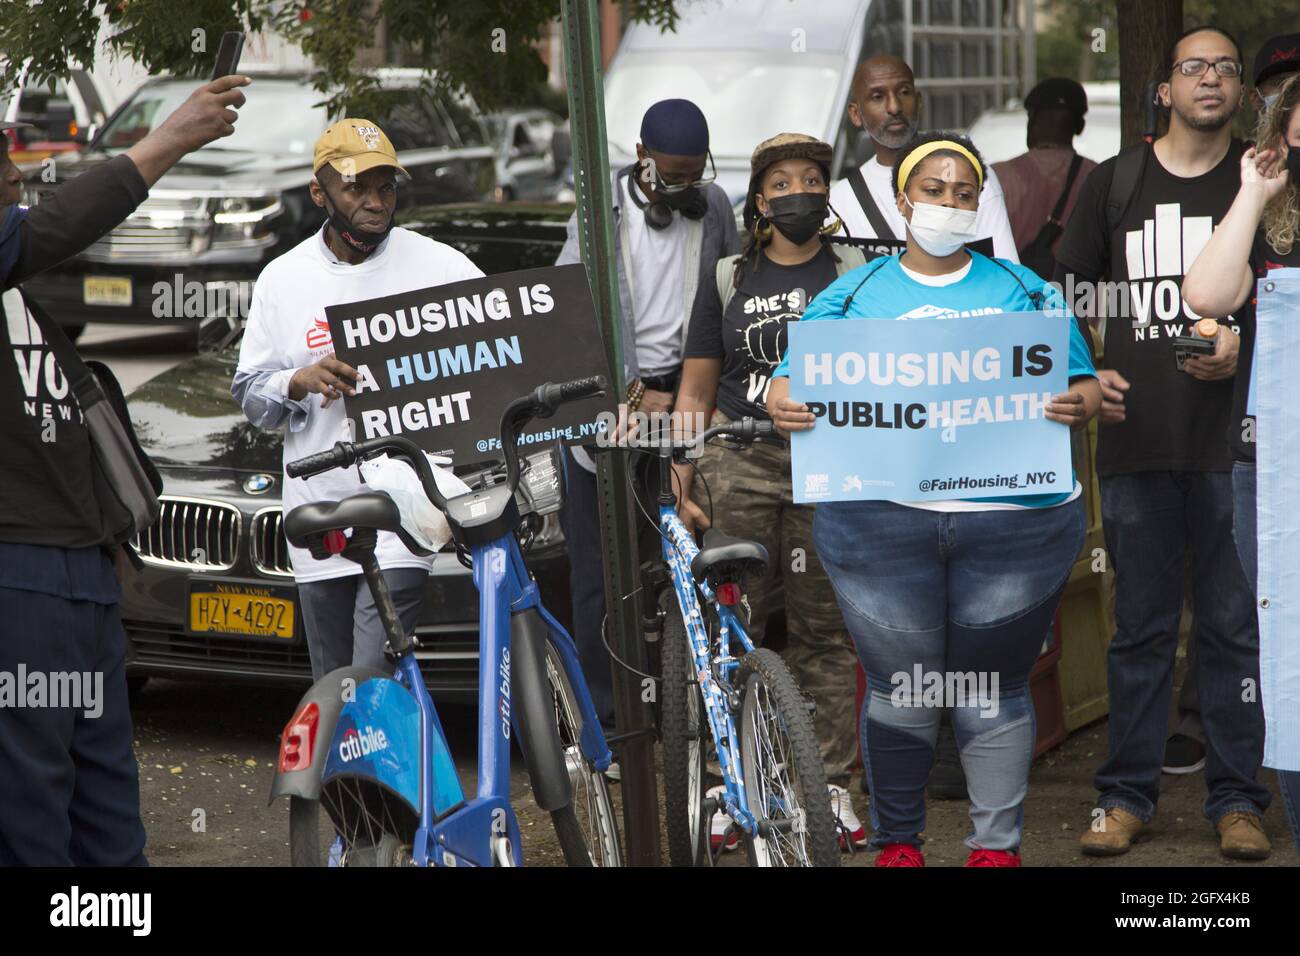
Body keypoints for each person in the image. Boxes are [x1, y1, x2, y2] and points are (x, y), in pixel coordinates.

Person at [768, 133, 1100, 867]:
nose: (948, 204)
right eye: (933, 189)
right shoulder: (851, 293)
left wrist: (1081, 402)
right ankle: (899, 846)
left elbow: (1082, 385)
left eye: (962, 193)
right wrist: (782, 400)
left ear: (978, 204)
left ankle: (993, 850)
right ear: (902, 201)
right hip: (882, 528)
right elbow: (789, 383)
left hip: (1010, 526)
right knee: (903, 687)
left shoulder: (1024, 289)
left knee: (992, 685)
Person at [0, 74, 250, 866]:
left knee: (108, 804)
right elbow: (62, 222)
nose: (19, 189)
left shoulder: (23, 299)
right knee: (30, 807)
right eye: (3, 180)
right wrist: (168, 139)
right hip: (17, 578)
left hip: (83, 576)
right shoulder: (19, 255)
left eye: (17, 176)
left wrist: (106, 541)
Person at [1054, 25, 1272, 860]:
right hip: (1136, 442)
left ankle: (1237, 799)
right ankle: (1123, 797)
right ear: (1164, 89)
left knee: (1231, 629)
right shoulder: (1116, 183)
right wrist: (1082, 375)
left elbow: (1282, 306)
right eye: (1193, 67)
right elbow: (1064, 294)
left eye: (1224, 67)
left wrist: (1241, 346)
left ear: (1242, 94)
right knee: (1140, 630)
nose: (1210, 79)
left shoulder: (1263, 184)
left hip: (1237, 449)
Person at [233, 119, 483, 682]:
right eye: (357, 188)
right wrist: (297, 381)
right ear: (320, 193)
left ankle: (382, 769)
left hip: (400, 512)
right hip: (318, 510)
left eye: (386, 187)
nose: (375, 202)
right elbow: (251, 397)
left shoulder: (441, 266)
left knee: (371, 675)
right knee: (333, 683)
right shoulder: (283, 277)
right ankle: (337, 775)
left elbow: (498, 344)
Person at [673, 133, 867, 849]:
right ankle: (740, 785)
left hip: (833, 462)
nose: (798, 194)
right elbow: (696, 382)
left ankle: (831, 788)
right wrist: (683, 466)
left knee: (826, 630)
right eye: (781, 184)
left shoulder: (855, 270)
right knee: (735, 626)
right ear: (759, 201)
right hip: (738, 460)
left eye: (811, 180)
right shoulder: (727, 275)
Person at [554, 99, 739, 753]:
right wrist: (631, 396)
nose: (687, 185)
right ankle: (608, 720)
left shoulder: (716, 208)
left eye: (696, 173)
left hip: (687, 399)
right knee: (600, 572)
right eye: (674, 173)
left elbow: (726, 306)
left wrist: (691, 401)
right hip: (607, 407)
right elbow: (566, 313)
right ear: (642, 156)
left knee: (684, 555)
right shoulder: (597, 212)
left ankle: (691, 714)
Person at [1182, 71, 1300, 856]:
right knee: (1287, 642)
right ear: (1284, 132)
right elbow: (1208, 290)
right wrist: (1255, 196)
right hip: (1275, 466)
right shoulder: (1269, 218)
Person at [828, 55, 1019, 262]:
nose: (894, 107)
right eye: (877, 96)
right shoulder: (840, 200)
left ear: (919, 102)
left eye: (904, 92)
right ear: (855, 114)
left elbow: (1004, 270)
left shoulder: (968, 176)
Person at [993, 78, 1098, 279]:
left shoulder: (998, 178)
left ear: (1032, 120)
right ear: (1080, 126)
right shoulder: (1099, 177)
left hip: (1014, 298)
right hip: (1081, 302)